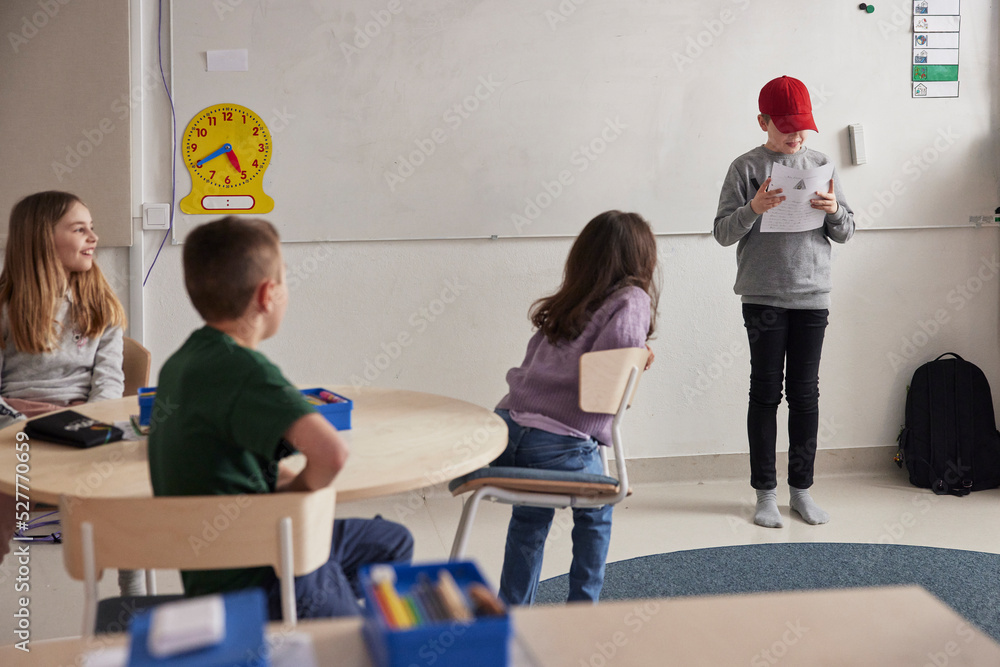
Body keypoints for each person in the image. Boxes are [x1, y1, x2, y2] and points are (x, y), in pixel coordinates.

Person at [147, 216, 413, 619]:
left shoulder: (182, 361)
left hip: (218, 557)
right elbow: (332, 455)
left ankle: (325, 615)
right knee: (360, 590)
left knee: (391, 543)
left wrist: (280, 482)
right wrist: (298, 492)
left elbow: (225, 462)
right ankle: (326, 627)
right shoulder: (247, 370)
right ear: (268, 294)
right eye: (285, 278)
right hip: (263, 571)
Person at [492, 210, 659, 605]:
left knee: (531, 515)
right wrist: (638, 358)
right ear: (641, 258)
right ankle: (583, 614)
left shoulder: (570, 301)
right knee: (598, 510)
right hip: (558, 445)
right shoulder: (632, 299)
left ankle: (512, 610)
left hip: (505, 433)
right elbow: (607, 381)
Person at [713, 75, 855, 528]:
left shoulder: (821, 163)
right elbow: (721, 232)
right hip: (763, 297)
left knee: (805, 395)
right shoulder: (745, 168)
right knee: (765, 393)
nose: (796, 137)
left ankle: (802, 491)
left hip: (812, 295)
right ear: (763, 122)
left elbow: (847, 230)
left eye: (803, 128)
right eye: (787, 127)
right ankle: (765, 495)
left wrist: (833, 210)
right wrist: (753, 208)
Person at [0, 191, 143, 594]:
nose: (93, 237)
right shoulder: (5, 305)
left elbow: (109, 383)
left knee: (127, 491)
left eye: (92, 228)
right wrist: (17, 416)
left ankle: (131, 602)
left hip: (82, 423)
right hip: (16, 429)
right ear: (43, 239)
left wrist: (85, 420)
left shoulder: (101, 305)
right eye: (80, 229)